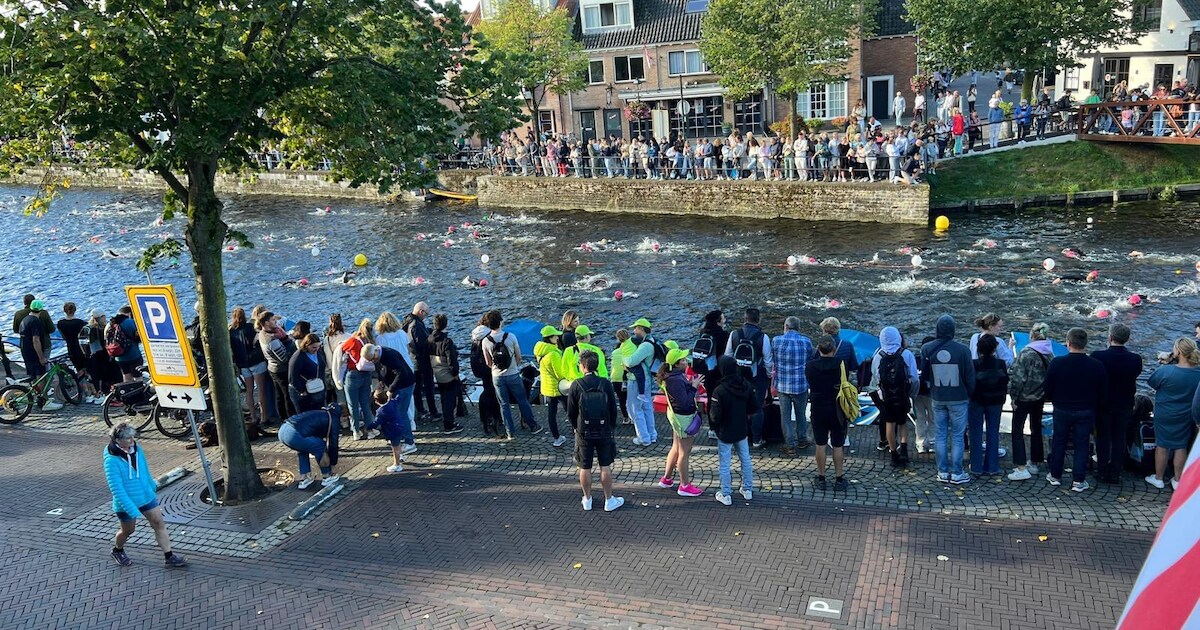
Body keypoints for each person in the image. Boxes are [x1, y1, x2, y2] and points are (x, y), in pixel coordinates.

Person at [104, 422, 187, 568]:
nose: (132, 440)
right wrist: (131, 509)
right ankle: (118, 550)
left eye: (132, 437)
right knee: (128, 530)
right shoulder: (111, 461)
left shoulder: (137, 449)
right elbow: (116, 489)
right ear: (117, 440)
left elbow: (144, 469)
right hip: (127, 503)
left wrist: (151, 486)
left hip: (145, 496)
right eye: (127, 438)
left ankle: (169, 556)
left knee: (158, 523)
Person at [1043, 328, 1107, 492]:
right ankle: (1078, 480)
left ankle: (1055, 475)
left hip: (1062, 407)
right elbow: (1102, 390)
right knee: (1082, 443)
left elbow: (1047, 388)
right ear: (1085, 344)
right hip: (1086, 409)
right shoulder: (1096, 365)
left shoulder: (1057, 363)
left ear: (1068, 343)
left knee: (1059, 441)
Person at [566, 350, 624, 512]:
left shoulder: (576, 385)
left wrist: (576, 428)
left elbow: (571, 412)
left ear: (583, 366)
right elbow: (613, 409)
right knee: (605, 466)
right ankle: (609, 499)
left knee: (585, 467)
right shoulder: (605, 383)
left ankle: (587, 499)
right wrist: (610, 427)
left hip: (584, 431)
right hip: (604, 429)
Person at [922, 315, 975, 485]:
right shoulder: (963, 350)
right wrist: (969, 394)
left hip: (938, 397)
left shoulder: (926, 348)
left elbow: (925, 375)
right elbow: (970, 377)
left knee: (940, 434)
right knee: (958, 436)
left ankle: (942, 471)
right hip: (959, 398)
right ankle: (957, 473)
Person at [1091, 323, 1143, 484]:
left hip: (1103, 404)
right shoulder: (1135, 359)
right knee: (1119, 438)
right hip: (1125, 403)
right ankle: (1115, 472)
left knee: (1103, 438)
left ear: (1110, 337)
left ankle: (1101, 470)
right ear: (1126, 339)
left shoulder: (1098, 356)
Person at [1145, 338, 1200, 490]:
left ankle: (1158, 478)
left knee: (1162, 445)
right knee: (1181, 445)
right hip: (1186, 413)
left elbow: (1152, 383)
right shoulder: (1198, 372)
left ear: (1178, 352)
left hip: (1165, 412)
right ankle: (1177, 479)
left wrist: (1168, 362)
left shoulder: (1166, 371)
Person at [481, 309, 542, 440]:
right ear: (500, 322)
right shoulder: (511, 337)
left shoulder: (485, 341)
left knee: (504, 404)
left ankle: (510, 432)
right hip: (513, 374)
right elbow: (519, 357)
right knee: (522, 401)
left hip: (497, 377)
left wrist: (496, 368)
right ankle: (533, 426)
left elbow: (488, 362)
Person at [709, 356, 759, 505]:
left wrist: (716, 426)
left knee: (725, 463)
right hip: (741, 429)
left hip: (725, 431)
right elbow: (754, 406)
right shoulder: (746, 385)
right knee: (746, 459)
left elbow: (714, 416)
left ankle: (726, 494)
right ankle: (747, 489)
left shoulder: (719, 390)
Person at [1006, 323, 1053, 480]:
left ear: (1031, 336)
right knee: (1036, 428)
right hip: (1040, 397)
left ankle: (1020, 467)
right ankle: (1035, 462)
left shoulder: (1026, 353)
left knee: (1017, 431)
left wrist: (1013, 397)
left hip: (1024, 397)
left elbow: (1018, 378)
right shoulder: (1049, 352)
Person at [867, 327, 919, 466]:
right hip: (902, 395)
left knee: (889, 424)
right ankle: (904, 451)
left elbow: (876, 377)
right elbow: (914, 378)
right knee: (902, 423)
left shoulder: (878, 355)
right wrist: (911, 394)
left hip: (886, 396)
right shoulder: (906, 354)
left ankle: (893, 454)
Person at [656, 348, 704, 497]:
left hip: (675, 416)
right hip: (684, 418)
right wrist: (694, 386)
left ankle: (667, 478)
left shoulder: (672, 376)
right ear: (676, 364)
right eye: (683, 360)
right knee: (684, 452)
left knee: (676, 448)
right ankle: (684, 485)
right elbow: (684, 402)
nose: (686, 361)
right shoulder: (676, 380)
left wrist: (689, 385)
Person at [725, 308, 773, 448]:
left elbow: (727, 356)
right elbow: (768, 360)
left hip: (737, 376)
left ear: (744, 319)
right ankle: (757, 440)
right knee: (758, 408)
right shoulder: (763, 337)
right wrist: (769, 376)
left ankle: (739, 438)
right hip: (757, 377)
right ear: (758, 320)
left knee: (737, 406)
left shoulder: (734, 334)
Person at [807, 336, 848, 491]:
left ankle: (821, 477)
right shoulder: (841, 365)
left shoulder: (810, 366)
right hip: (837, 408)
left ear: (818, 348)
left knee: (820, 443)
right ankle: (839, 478)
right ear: (834, 349)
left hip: (818, 408)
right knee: (838, 444)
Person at [366, 342, 417, 456]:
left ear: (375, 352)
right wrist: (382, 381)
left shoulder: (389, 356)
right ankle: (405, 438)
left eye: (372, 359)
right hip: (399, 385)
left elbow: (401, 372)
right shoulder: (379, 356)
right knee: (399, 413)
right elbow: (383, 371)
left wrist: (391, 389)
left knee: (401, 413)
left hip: (405, 385)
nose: (372, 361)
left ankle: (410, 442)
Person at [772, 316, 813, 455]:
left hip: (783, 385)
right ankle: (802, 439)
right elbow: (810, 360)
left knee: (785, 416)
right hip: (801, 385)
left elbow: (772, 359)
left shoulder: (776, 340)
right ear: (798, 328)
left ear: (786, 327)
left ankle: (789, 445)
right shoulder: (806, 342)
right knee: (801, 414)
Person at [968, 334, 1008, 477]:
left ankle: (976, 467)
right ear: (995, 348)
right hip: (995, 402)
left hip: (977, 401)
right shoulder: (1001, 364)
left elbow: (970, 383)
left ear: (978, 349)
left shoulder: (974, 364)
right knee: (993, 432)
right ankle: (992, 467)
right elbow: (1006, 382)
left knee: (975, 433)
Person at [278, 404, 342, 488]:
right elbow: (333, 444)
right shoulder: (334, 419)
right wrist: (333, 464)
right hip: (294, 433)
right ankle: (327, 476)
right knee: (320, 446)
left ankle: (304, 478)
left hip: (283, 430)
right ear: (342, 415)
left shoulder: (322, 412)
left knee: (303, 449)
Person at [17, 299, 64, 411]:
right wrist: (41, 357)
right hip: (34, 352)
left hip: (25, 351)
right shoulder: (36, 321)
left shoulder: (25, 319)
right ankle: (44, 401)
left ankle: (38, 399)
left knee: (34, 377)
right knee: (41, 375)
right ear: (41, 310)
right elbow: (36, 340)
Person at [623, 317, 662, 446]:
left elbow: (630, 361)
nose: (634, 331)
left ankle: (643, 438)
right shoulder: (652, 341)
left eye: (635, 328)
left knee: (636, 409)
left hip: (637, 381)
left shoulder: (645, 345)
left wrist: (623, 359)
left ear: (641, 328)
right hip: (647, 379)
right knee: (646, 408)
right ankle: (652, 435)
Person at [230, 307, 270, 427]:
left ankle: (253, 416)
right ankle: (264, 417)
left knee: (249, 391)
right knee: (261, 391)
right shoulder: (250, 328)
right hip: (256, 362)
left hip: (243, 364)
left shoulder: (231, 331)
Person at [339, 318, 377, 440]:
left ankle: (356, 431)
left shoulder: (353, 341)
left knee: (353, 405)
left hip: (353, 375)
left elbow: (342, 349)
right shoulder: (370, 342)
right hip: (366, 375)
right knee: (365, 404)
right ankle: (370, 430)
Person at [428, 313, 465, 435]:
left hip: (437, 373)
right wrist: (455, 373)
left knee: (444, 398)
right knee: (450, 400)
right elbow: (452, 361)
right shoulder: (447, 342)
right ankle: (449, 425)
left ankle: (447, 421)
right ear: (446, 324)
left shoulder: (429, 339)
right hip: (448, 375)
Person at [402, 302, 439, 422]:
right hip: (421, 361)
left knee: (417, 388)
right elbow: (421, 343)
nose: (425, 316)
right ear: (421, 311)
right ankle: (432, 411)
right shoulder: (416, 325)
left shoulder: (407, 322)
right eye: (426, 314)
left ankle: (421, 410)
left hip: (413, 360)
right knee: (428, 387)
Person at [257, 310, 297, 419]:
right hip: (281, 370)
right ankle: (290, 418)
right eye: (273, 320)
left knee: (279, 395)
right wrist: (286, 339)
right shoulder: (272, 340)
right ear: (266, 323)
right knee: (287, 394)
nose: (276, 322)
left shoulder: (262, 333)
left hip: (272, 367)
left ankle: (283, 418)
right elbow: (284, 358)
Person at [57, 302, 98, 402]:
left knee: (79, 371)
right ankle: (95, 393)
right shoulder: (80, 322)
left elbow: (63, 336)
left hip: (70, 348)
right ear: (75, 310)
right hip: (81, 348)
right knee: (88, 371)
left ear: (64, 311)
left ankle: (87, 394)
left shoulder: (60, 323)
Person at [535, 325, 568, 447]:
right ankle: (578, 432)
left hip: (547, 388)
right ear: (550, 338)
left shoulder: (540, 351)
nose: (557, 338)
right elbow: (559, 373)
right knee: (570, 410)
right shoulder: (553, 354)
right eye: (555, 336)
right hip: (558, 388)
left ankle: (556, 438)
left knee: (551, 413)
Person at [470, 317, 503, 435]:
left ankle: (487, 417)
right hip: (489, 368)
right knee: (493, 393)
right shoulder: (487, 336)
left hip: (479, 369)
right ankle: (496, 416)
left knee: (487, 390)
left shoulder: (475, 336)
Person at [322, 314, 351, 425]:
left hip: (334, 371)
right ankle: (354, 419)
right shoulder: (348, 337)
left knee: (340, 397)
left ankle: (344, 421)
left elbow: (328, 358)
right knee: (351, 397)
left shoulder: (327, 339)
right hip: (347, 370)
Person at [288, 333, 327, 413]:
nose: (316, 349)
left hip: (317, 388)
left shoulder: (318, 352)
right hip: (303, 393)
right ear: (306, 345)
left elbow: (322, 369)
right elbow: (292, 377)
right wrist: (302, 391)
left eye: (318, 346)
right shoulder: (298, 357)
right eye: (313, 347)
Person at [109, 305, 144, 384]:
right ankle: (139, 394)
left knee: (126, 377)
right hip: (133, 355)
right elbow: (140, 336)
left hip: (119, 357)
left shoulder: (110, 323)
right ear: (129, 313)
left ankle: (129, 394)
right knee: (138, 378)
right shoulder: (130, 322)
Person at [609, 329, 633, 425]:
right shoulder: (630, 349)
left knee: (621, 400)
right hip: (626, 378)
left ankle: (625, 418)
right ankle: (632, 418)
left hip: (615, 379)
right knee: (630, 400)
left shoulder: (614, 353)